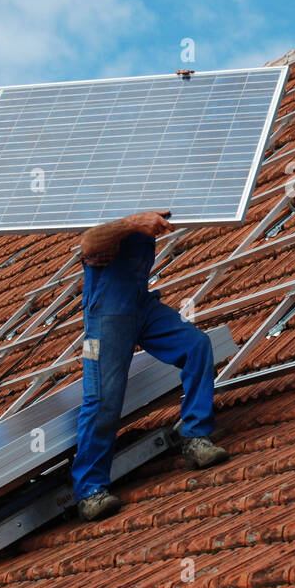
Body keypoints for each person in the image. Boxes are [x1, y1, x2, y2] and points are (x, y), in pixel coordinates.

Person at [71, 210, 228, 522]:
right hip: (105, 315)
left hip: (141, 304)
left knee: (196, 345)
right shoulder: (110, 198)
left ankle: (195, 436)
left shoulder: (150, 185)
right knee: (103, 399)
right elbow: (88, 243)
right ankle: (90, 491)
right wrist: (131, 224)